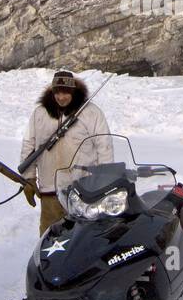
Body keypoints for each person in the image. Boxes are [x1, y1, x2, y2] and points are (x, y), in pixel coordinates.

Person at [20, 70, 113, 236]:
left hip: (84, 190)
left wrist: (103, 181)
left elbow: (104, 146)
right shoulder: (40, 113)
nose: (61, 97)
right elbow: (29, 144)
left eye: (66, 93)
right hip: (51, 191)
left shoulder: (91, 113)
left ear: (73, 92)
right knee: (50, 237)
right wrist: (28, 178)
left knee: (84, 237)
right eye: (57, 92)